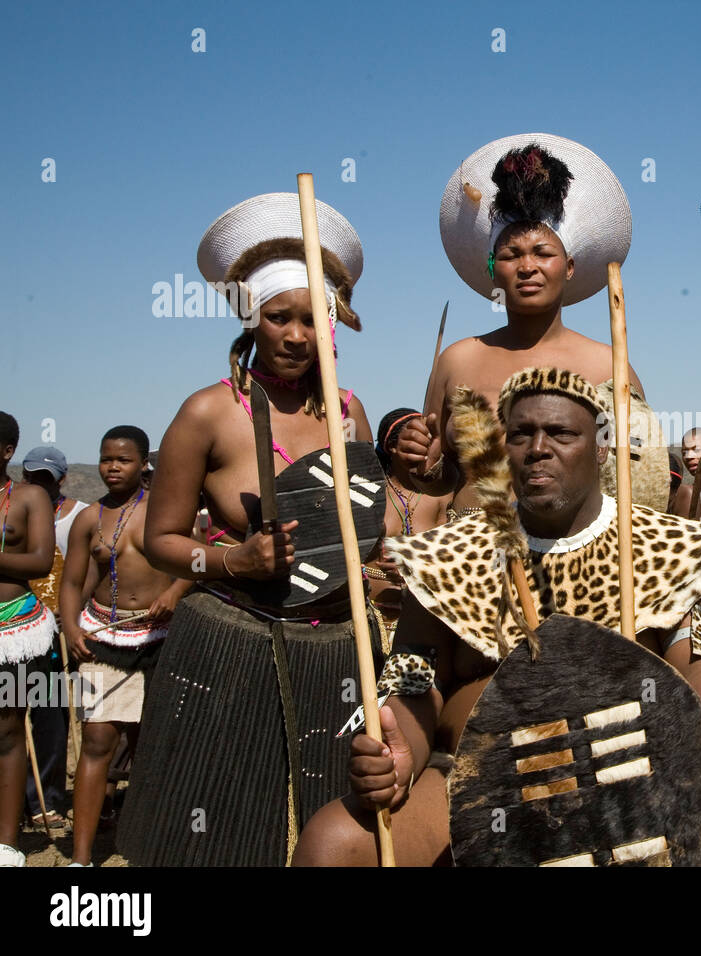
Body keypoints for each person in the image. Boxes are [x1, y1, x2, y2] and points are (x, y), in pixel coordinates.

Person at [295, 369, 701, 866]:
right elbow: (417, 683)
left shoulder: (672, 549)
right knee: (335, 842)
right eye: (521, 434)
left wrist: (644, 768)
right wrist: (401, 755)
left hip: (628, 772)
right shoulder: (445, 557)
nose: (538, 448)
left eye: (562, 433)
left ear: (602, 448)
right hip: (480, 783)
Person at [116, 192, 382, 866]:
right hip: (233, 651)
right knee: (222, 827)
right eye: (279, 317)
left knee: (326, 827)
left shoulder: (349, 413)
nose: (297, 335)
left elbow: (363, 528)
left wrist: (382, 567)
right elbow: (162, 539)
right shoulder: (209, 413)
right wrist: (236, 561)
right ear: (251, 320)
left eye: (314, 319)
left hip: (335, 655)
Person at [414, 134, 667, 515]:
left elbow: (640, 484)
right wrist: (424, 464)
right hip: (473, 561)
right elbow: (439, 476)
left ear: (568, 267)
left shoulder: (608, 366)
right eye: (511, 254)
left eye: (542, 253)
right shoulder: (457, 360)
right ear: (492, 271)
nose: (527, 266)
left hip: (575, 567)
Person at [61, 426, 191, 866]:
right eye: (105, 460)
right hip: (103, 638)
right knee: (97, 741)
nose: (112, 468)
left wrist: (173, 594)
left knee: (149, 747)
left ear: (143, 465)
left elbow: (198, 560)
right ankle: (81, 859)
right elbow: (72, 582)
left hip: (158, 641)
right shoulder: (89, 519)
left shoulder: (166, 513)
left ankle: (149, 848)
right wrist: (71, 628)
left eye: (123, 460)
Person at [21, 445, 88, 831]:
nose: (39, 484)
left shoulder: (77, 515)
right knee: (12, 711)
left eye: (47, 478)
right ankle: (22, 801)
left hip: (59, 630)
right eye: (33, 477)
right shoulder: (16, 509)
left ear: (61, 479)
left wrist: (71, 610)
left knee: (52, 715)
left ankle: (49, 795)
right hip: (18, 626)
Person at [0, 412, 55, 867]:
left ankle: (8, 842)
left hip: (13, 630)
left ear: (7, 452)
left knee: (8, 729)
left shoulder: (29, 496)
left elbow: (39, 560)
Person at [366, 407, 448, 652]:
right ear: (392, 447)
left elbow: (453, 554)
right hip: (374, 624)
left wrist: (416, 566)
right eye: (414, 439)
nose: (424, 446)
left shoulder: (442, 495)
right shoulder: (370, 494)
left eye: (428, 439)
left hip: (425, 624)